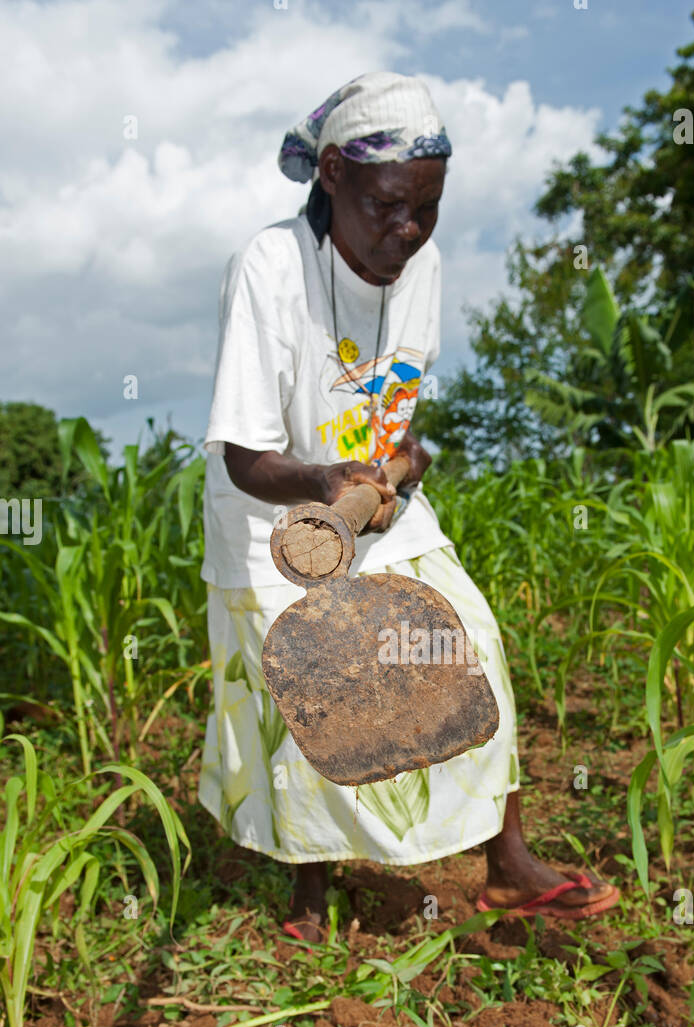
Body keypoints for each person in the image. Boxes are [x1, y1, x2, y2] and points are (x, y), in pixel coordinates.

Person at [198, 71, 619, 942]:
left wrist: (399, 466)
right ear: (334, 178)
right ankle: (309, 893)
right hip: (271, 512)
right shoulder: (269, 268)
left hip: (369, 507)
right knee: (309, 680)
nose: (408, 230)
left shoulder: (418, 266)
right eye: (389, 206)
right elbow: (243, 456)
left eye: (427, 208)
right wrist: (325, 485)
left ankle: (505, 864)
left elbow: (392, 417)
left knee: (469, 636)